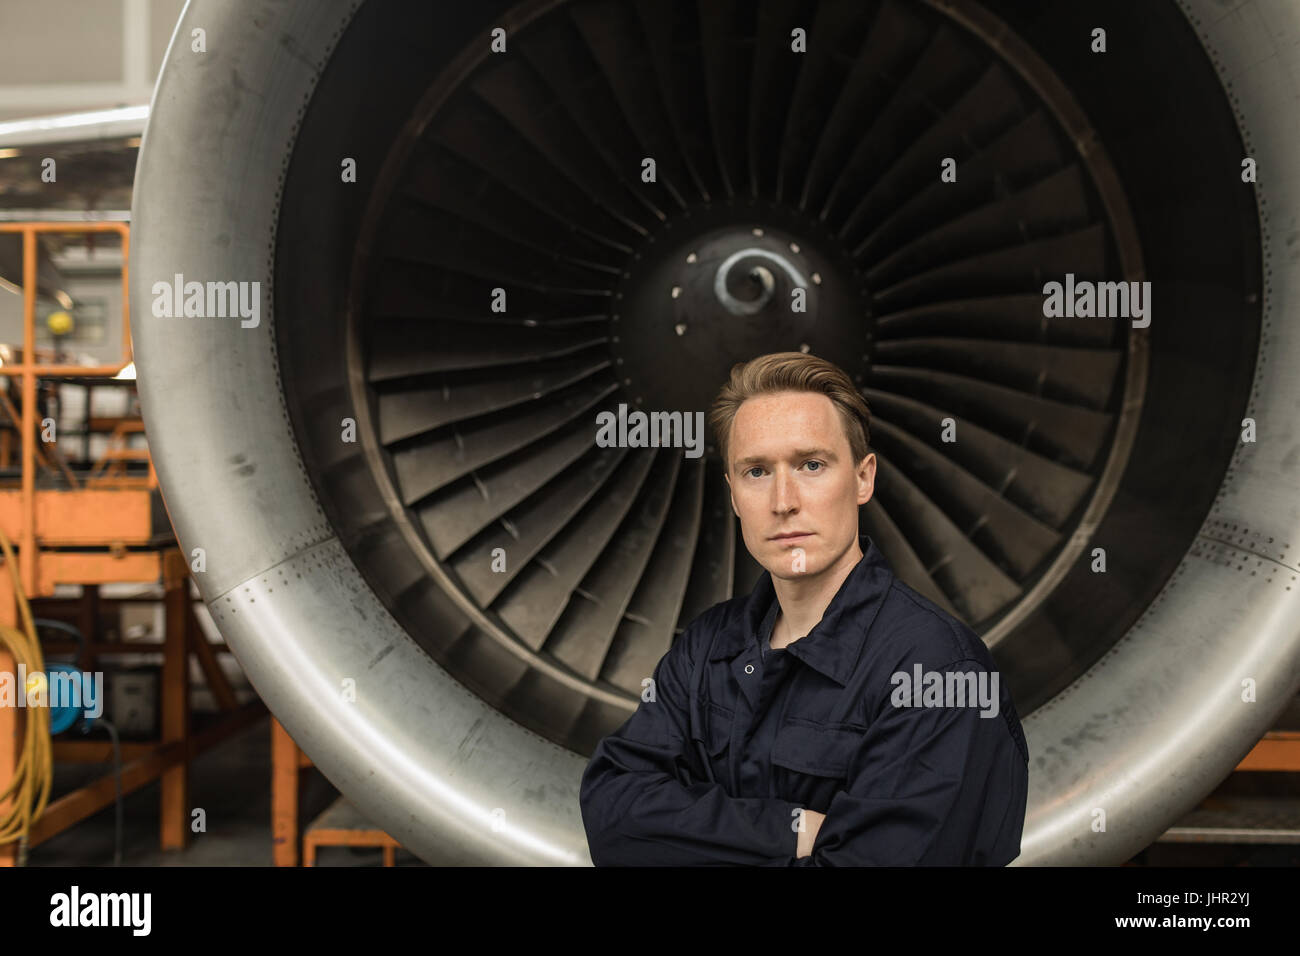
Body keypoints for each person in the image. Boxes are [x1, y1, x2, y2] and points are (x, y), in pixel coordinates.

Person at [579, 351, 1029, 865]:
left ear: (863, 478)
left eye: (811, 464)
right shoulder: (705, 647)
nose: (783, 500)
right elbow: (611, 815)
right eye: (756, 471)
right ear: (732, 493)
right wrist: (787, 831)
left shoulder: (937, 670)